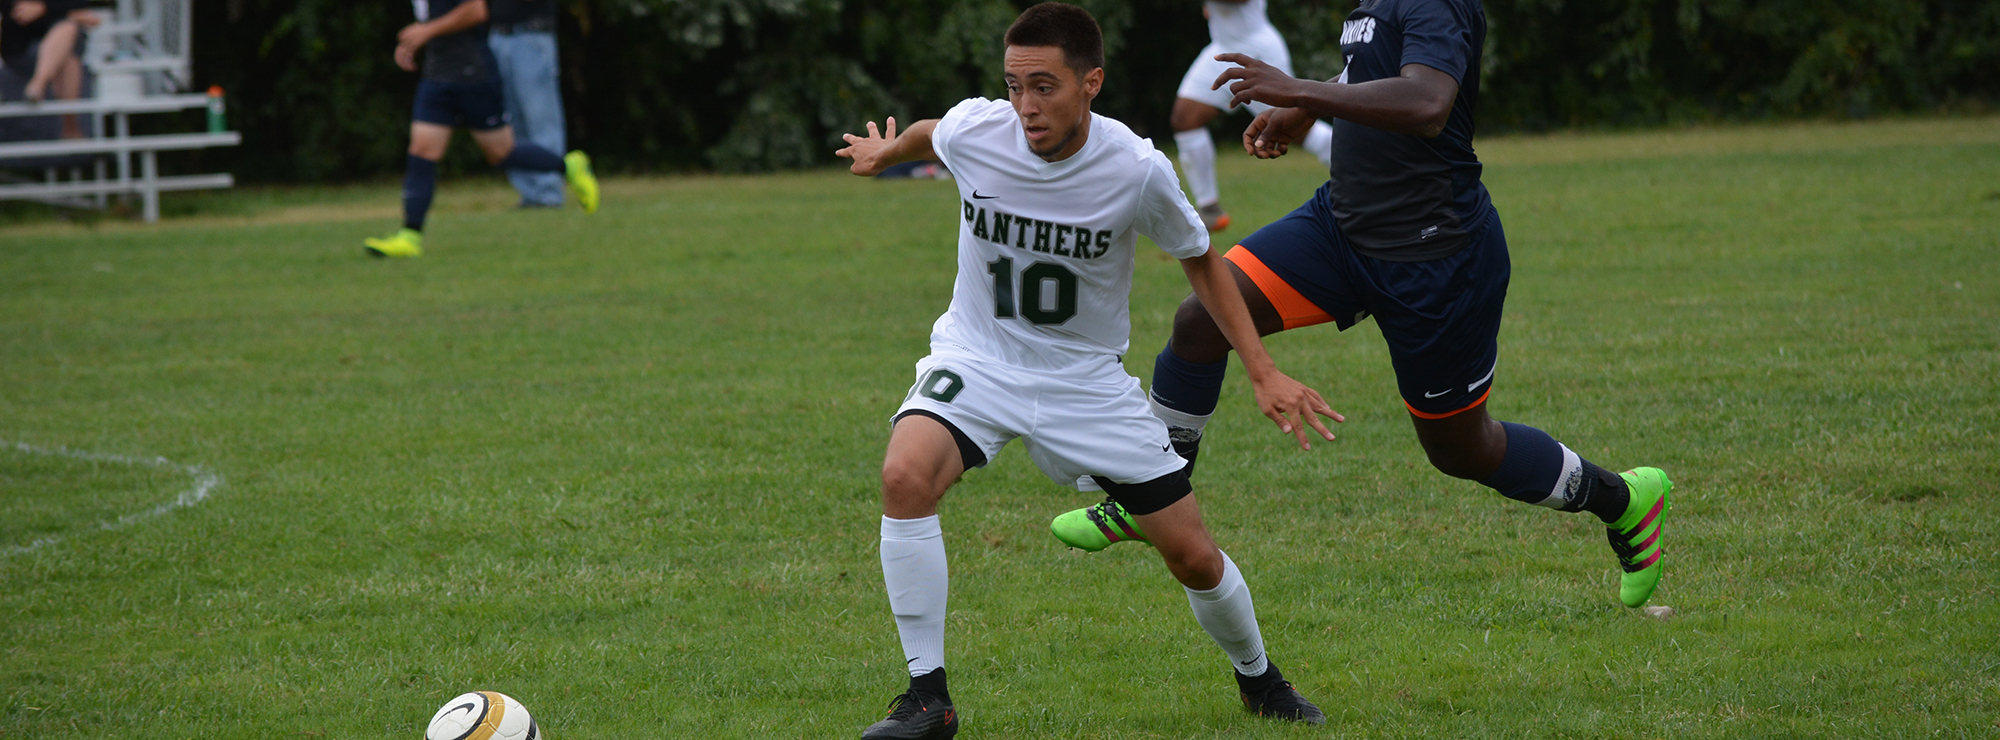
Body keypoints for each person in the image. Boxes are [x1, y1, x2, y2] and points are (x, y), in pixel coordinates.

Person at [1051, 0, 1676, 611]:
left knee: (1460, 449)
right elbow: (1377, 72)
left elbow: (1428, 102)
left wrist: (1299, 90)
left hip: (1434, 255)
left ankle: (1622, 500)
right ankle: (1149, 496)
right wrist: (1304, 103)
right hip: (1342, 225)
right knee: (1201, 318)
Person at [834, 4, 1341, 738]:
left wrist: (1261, 368)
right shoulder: (978, 131)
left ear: (1091, 82)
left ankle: (1261, 680)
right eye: (1013, 86)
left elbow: (1201, 260)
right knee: (904, 477)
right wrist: (891, 152)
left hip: (1085, 382)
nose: (1026, 107)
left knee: (1194, 556)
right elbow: (932, 134)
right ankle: (926, 700)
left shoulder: (1135, 169)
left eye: (1045, 87)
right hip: (978, 358)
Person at [363, 0, 599, 258]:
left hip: (473, 74)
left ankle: (569, 166)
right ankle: (409, 237)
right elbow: (432, 20)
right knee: (422, 151)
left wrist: (427, 31)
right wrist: (413, 42)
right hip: (437, 75)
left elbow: (476, 9)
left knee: (501, 153)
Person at [1171, 0, 1333, 232]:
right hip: (1221, 49)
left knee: (1294, 127)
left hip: (1256, 52)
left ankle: (1362, 167)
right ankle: (1209, 209)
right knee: (1185, 119)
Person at [486, 0, 566, 208]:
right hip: (499, 34)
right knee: (511, 121)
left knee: (541, 118)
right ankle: (529, 193)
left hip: (531, 35)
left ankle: (548, 192)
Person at [1, 0, 100, 138]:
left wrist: (43, 10)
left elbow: (82, 9)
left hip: (56, 50)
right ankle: (71, 126)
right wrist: (67, 14)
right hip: (23, 52)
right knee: (68, 40)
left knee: (67, 39)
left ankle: (38, 85)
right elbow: (19, 15)